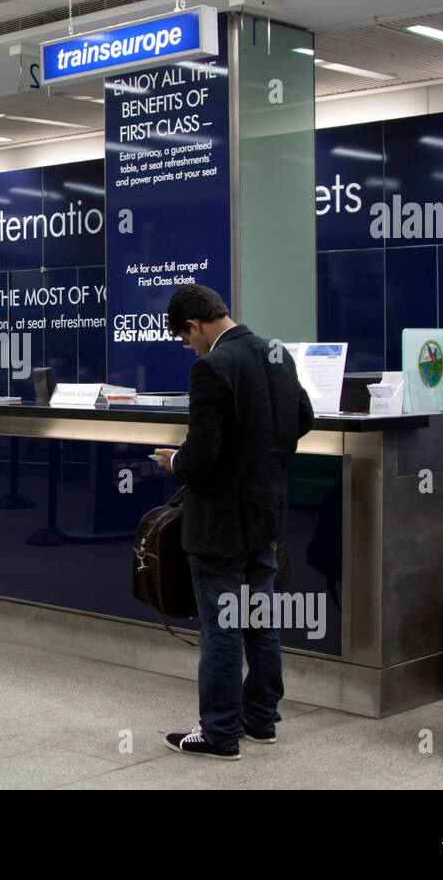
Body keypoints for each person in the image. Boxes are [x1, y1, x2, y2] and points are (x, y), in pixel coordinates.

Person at [151, 285, 314, 761]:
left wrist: (175, 462)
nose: (190, 348)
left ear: (195, 325)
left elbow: (201, 454)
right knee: (258, 617)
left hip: (220, 519)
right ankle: (261, 719)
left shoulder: (212, 366)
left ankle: (220, 732)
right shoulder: (276, 353)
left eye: (186, 339)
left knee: (221, 625)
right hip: (266, 514)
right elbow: (302, 417)